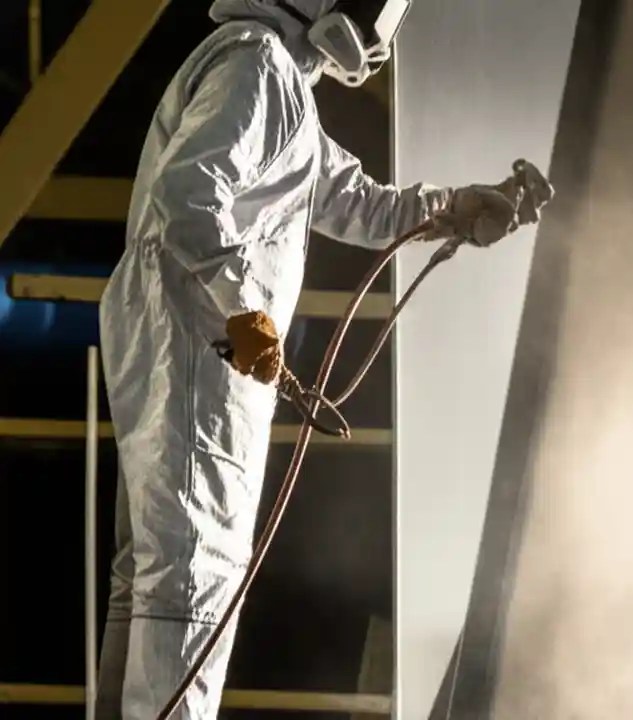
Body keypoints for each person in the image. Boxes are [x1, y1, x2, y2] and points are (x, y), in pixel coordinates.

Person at [95, 1, 546, 717]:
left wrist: (456, 207)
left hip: (191, 343)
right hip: (197, 345)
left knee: (154, 577)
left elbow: (359, 204)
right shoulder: (256, 65)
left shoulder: (279, 86)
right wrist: (246, 315)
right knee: (192, 574)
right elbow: (188, 196)